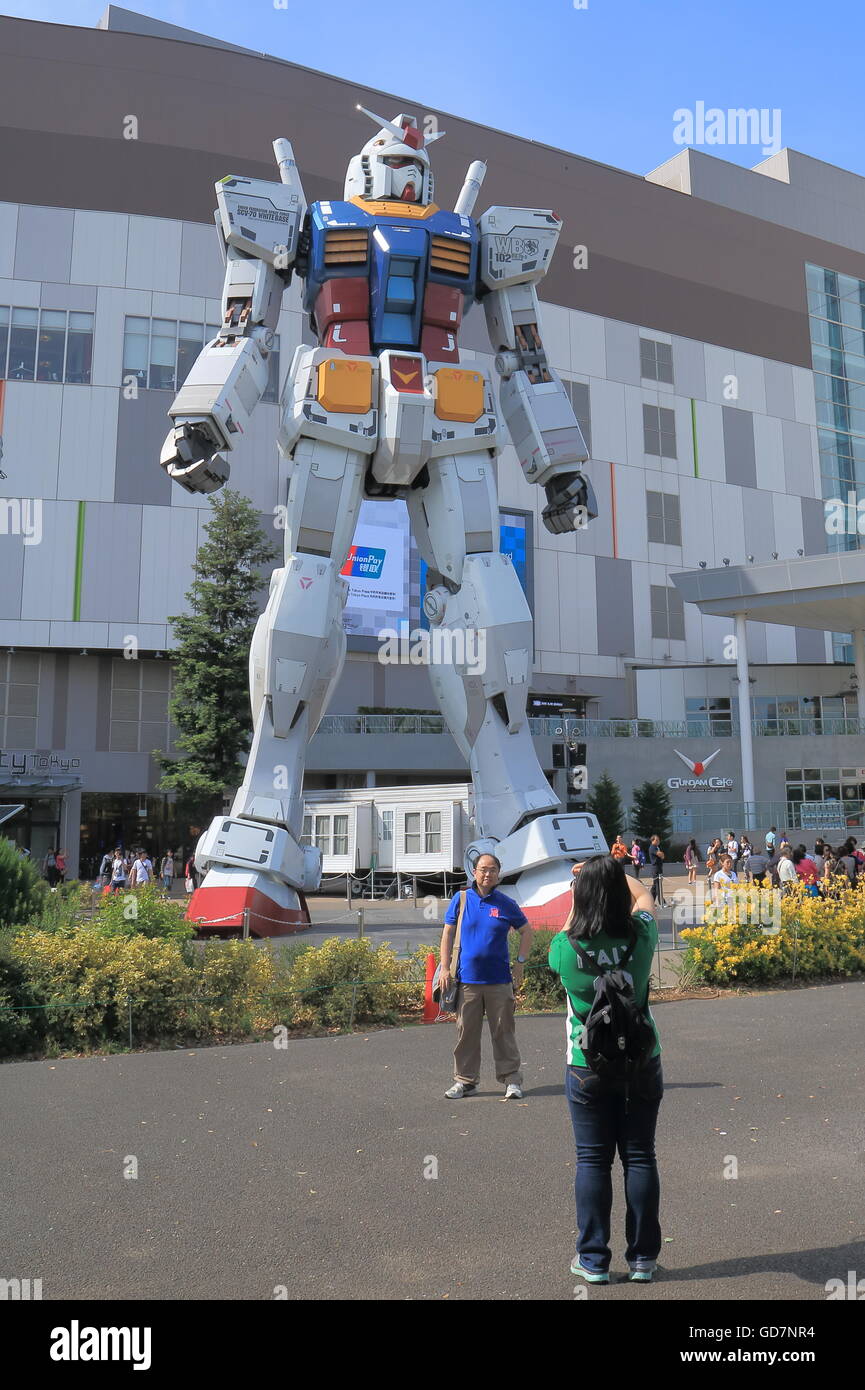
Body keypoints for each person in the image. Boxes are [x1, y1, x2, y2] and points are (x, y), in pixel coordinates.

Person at [548, 856, 663, 1284]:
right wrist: (619, 875)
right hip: (641, 1057)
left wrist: (583, 890)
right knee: (640, 1156)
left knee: (593, 1160)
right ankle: (643, 1260)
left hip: (586, 1063)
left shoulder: (565, 948)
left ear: (580, 898)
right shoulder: (642, 934)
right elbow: (645, 896)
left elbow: (565, 936)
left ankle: (594, 1260)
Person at [439, 852, 532, 1100]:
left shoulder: (506, 903)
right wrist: (444, 967)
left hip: (499, 981)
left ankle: (512, 1080)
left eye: (492, 870)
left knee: (503, 1032)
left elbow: (526, 931)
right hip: (467, 980)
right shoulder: (460, 899)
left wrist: (520, 963)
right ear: (474, 872)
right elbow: (447, 934)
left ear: (498, 874)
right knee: (466, 1033)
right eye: (482, 869)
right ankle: (465, 1081)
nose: (487, 874)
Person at [648, 834, 665, 907]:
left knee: (654, 887)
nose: (658, 841)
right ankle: (662, 902)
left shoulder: (656, 847)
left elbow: (662, 856)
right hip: (656, 868)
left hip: (659, 867)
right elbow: (659, 854)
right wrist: (661, 854)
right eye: (657, 840)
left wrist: (662, 855)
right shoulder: (652, 847)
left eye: (658, 840)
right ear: (653, 840)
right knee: (658, 885)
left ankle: (650, 902)